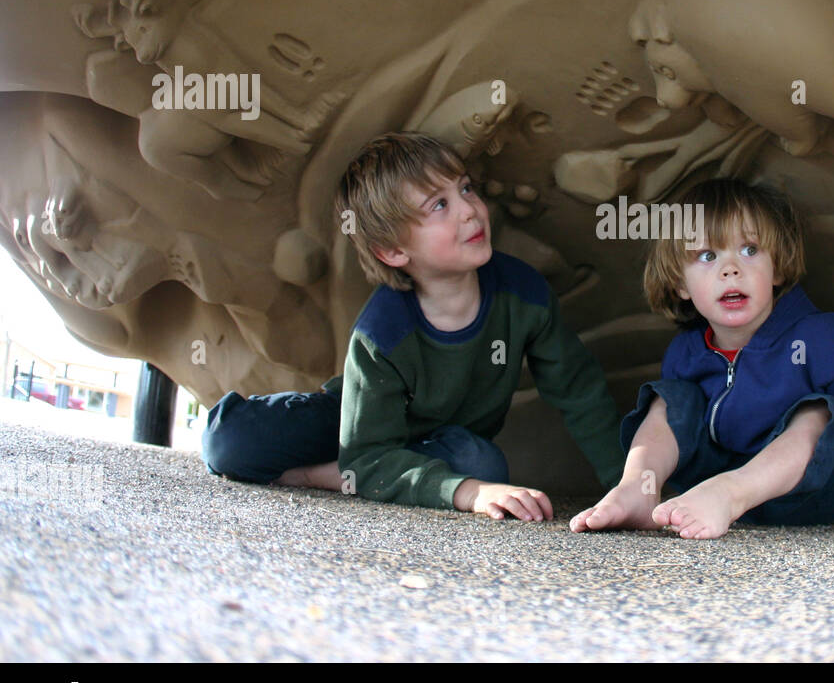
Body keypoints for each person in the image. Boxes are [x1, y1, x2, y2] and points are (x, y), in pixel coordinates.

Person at [202, 132, 625, 521]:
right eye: (439, 205)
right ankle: (325, 473)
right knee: (230, 444)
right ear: (391, 250)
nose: (470, 211)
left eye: (465, 189)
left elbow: (580, 392)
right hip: (354, 422)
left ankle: (337, 475)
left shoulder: (523, 293)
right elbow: (366, 448)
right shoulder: (382, 331)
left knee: (482, 465)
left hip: (434, 442)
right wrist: (467, 494)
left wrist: (627, 487)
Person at [572, 177, 834, 539]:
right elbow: (677, 431)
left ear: (777, 268)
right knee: (670, 400)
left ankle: (730, 493)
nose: (730, 269)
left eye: (749, 250)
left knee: (817, 412)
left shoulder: (825, 339)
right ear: (681, 285)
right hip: (708, 489)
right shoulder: (686, 351)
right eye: (707, 256)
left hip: (810, 496)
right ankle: (637, 490)